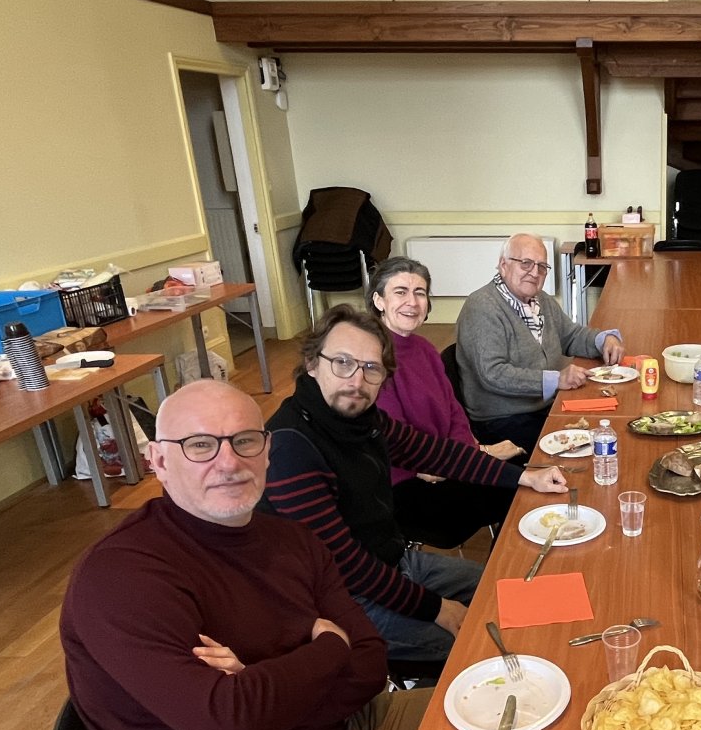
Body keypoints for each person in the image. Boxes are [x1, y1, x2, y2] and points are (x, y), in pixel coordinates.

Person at [59, 380, 567, 730]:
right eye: (200, 445)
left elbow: (369, 666)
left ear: (268, 449)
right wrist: (326, 647)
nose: (228, 462)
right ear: (157, 459)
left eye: (246, 440)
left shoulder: (291, 541)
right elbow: (227, 725)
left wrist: (258, 680)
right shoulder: (123, 577)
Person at [264, 305, 566, 662]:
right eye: (342, 362)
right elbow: (346, 566)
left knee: (512, 592)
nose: (357, 381)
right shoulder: (289, 446)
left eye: (371, 369)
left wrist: (524, 476)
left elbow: (438, 454)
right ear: (313, 363)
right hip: (341, 603)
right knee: (487, 647)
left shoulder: (361, 417)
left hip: (393, 565)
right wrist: (437, 609)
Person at [368, 256, 522, 548]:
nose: (412, 302)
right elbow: (394, 439)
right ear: (378, 300)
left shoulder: (423, 348)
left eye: (420, 292)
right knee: (518, 491)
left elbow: (454, 412)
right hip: (407, 481)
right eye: (400, 292)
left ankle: (509, 569)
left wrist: (465, 457)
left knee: (523, 480)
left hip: (446, 464)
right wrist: (462, 461)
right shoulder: (374, 357)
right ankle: (502, 579)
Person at [456, 233, 624, 454]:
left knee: (610, 428)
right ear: (503, 265)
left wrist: (604, 339)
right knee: (588, 449)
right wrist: (556, 379)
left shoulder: (541, 300)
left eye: (542, 266)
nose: (534, 273)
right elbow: (493, 374)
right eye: (525, 263)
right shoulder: (482, 307)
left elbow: (571, 336)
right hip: (503, 420)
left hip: (543, 407)